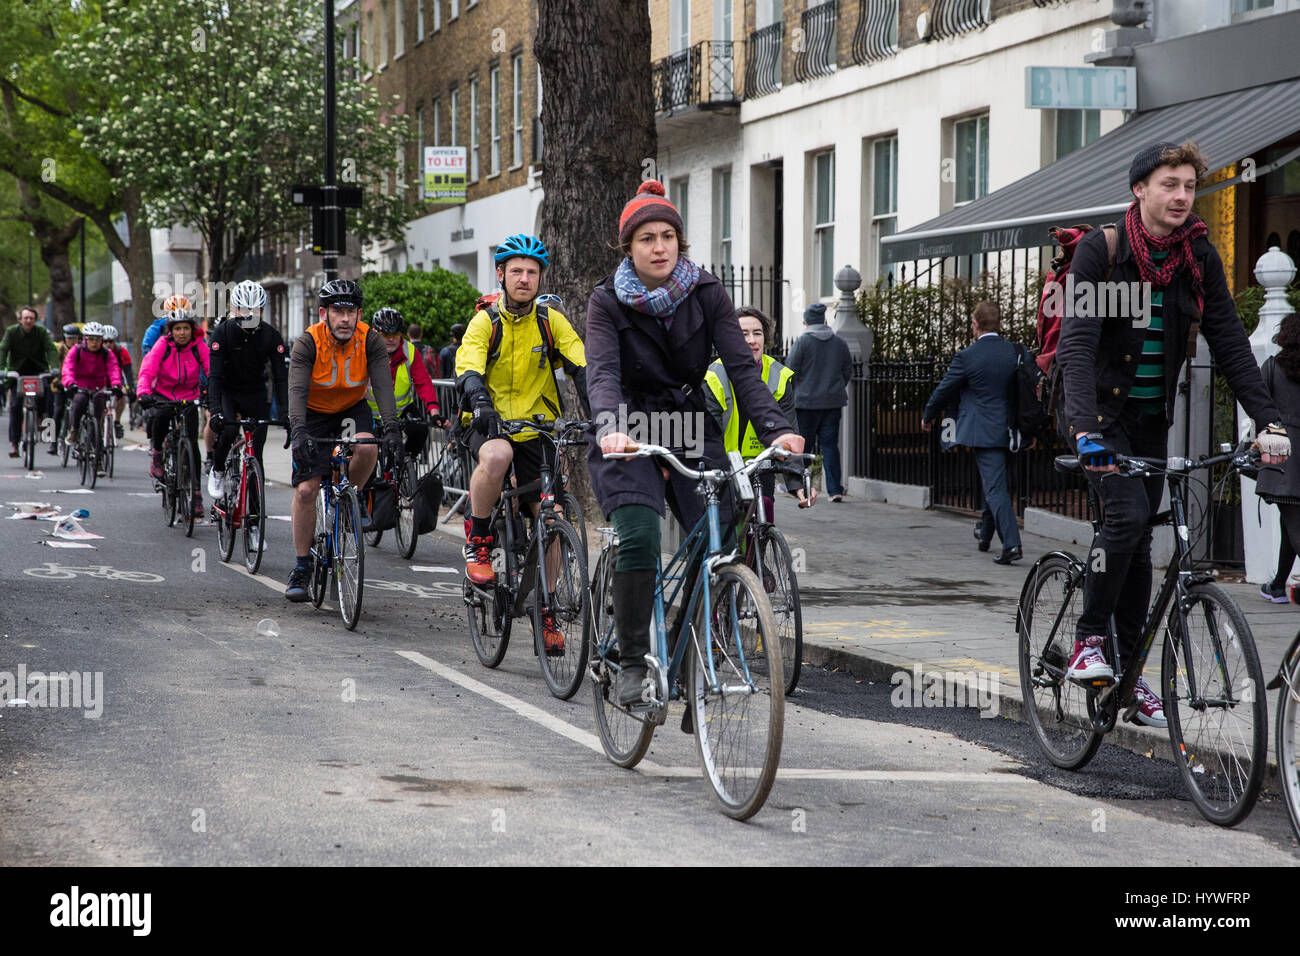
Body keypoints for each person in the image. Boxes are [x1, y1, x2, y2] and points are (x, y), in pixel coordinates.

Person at [1057, 139, 1290, 728]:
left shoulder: (1197, 256)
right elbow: (1078, 347)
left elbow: (1233, 345)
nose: (1183, 195)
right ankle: (1089, 639)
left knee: (1142, 544)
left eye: (1189, 185)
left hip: (1149, 420)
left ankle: (1129, 682)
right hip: (1101, 418)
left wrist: (1267, 420)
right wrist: (1084, 430)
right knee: (1127, 519)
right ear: (1140, 190)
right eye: (1170, 184)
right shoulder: (1102, 252)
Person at [586, 179, 804, 705]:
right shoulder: (606, 301)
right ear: (629, 248)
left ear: (679, 242)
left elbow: (743, 371)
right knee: (638, 535)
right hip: (629, 426)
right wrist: (611, 427)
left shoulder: (706, 292)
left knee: (724, 538)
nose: (659, 247)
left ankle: (686, 646)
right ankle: (634, 662)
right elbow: (604, 374)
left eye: (668, 236)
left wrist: (778, 431)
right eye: (646, 239)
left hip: (686, 423)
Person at [455, 234, 589, 655]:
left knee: (551, 519)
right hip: (487, 419)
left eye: (532, 272)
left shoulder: (550, 321)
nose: (525, 278)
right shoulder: (486, 321)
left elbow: (582, 365)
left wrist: (602, 414)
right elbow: (469, 365)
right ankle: (478, 541)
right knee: (498, 453)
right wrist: (480, 401)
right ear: (502, 275)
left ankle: (545, 611)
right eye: (517, 271)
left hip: (537, 426)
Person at [284, 279, 402, 602]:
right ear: (324, 313)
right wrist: (298, 432)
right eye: (338, 311)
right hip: (312, 414)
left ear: (360, 313)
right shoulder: (307, 342)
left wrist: (391, 428)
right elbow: (296, 391)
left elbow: (382, 386)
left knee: (368, 446)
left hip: (351, 409)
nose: (345, 318)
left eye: (351, 311)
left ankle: (349, 499)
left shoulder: (371, 340)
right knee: (307, 489)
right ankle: (302, 566)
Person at [921, 301, 1023, 564]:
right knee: (996, 484)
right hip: (1013, 430)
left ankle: (1011, 544)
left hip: (984, 432)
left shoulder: (967, 356)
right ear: (998, 323)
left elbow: (945, 389)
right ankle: (985, 534)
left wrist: (929, 415)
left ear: (976, 325)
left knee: (995, 488)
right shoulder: (1016, 352)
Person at [704, 305, 813, 517]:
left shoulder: (779, 377)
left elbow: (788, 433)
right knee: (726, 529)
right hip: (722, 466)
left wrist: (796, 483)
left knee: (764, 515)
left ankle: (760, 547)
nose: (752, 340)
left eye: (757, 333)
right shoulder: (714, 377)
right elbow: (709, 436)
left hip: (760, 466)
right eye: (742, 334)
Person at [206, 280, 289, 500]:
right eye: (243, 310)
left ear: (262, 311)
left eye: (255, 311)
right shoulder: (222, 333)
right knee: (230, 430)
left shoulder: (271, 335)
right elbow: (213, 377)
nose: (249, 316)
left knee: (257, 450)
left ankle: (253, 514)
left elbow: (280, 379)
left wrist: (285, 414)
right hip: (228, 391)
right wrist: (214, 411)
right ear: (234, 309)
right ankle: (218, 468)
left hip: (255, 392)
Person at [137, 310, 210, 517]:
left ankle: (196, 495)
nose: (182, 332)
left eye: (186, 328)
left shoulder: (198, 346)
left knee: (193, 445)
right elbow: (148, 370)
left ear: (191, 329)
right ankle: (157, 454)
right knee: (160, 418)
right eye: (177, 328)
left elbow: (211, 369)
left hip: (189, 397)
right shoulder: (162, 345)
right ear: (171, 331)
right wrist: (143, 393)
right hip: (164, 395)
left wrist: (213, 394)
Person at [784, 301, 853, 502]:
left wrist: (797, 391)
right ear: (823, 320)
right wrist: (834, 389)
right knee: (830, 446)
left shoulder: (802, 342)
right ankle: (835, 490)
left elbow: (790, 371)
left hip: (805, 404)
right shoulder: (839, 343)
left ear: (806, 322)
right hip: (832, 403)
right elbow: (847, 370)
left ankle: (799, 487)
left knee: (801, 447)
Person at [1255, 312, 1300, 603]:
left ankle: (1278, 586)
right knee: (1290, 522)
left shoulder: (1272, 367)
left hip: (1284, 456)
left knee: (1294, 522)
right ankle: (1277, 585)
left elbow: (1259, 405)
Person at [366, 307, 441, 459]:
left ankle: (405, 462)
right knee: (369, 450)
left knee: (421, 431)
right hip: (370, 412)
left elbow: (423, 381)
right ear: (375, 332)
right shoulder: (364, 350)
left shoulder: (410, 350)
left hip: (402, 409)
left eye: (395, 334)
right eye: (385, 335)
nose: (391, 339)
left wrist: (433, 410)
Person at [61, 321, 122, 471]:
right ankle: (74, 430)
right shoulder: (76, 351)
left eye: (98, 339)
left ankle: (99, 460)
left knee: (98, 424)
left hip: (98, 388)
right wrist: (70, 383)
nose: (94, 343)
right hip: (80, 386)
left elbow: (114, 369)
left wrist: (116, 385)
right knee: (79, 402)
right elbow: (68, 368)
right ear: (85, 339)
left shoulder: (107, 353)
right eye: (91, 339)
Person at [1, 306, 59, 458]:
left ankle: (41, 419)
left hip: (37, 370)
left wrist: (54, 368)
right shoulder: (11, 332)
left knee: (46, 396)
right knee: (15, 406)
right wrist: (2, 369)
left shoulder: (41, 332)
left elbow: (51, 349)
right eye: (25, 318)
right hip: (17, 372)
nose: (28, 321)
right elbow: (3, 349)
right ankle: (14, 443)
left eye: (31, 318)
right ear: (20, 320)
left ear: (35, 320)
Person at [50, 323, 81, 453]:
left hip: (77, 383)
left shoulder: (81, 349)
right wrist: (55, 380)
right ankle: (53, 442)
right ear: (64, 338)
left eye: (74, 338)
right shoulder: (59, 349)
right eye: (69, 338)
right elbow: (53, 365)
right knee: (58, 411)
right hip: (61, 383)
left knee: (79, 410)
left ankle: (78, 438)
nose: (72, 341)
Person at [102, 325, 135, 440]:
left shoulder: (122, 352)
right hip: (99, 381)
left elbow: (128, 372)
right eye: (104, 341)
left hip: (115, 380)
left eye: (110, 341)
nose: (107, 344)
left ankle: (116, 422)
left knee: (121, 397)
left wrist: (131, 388)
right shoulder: (96, 351)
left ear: (114, 341)